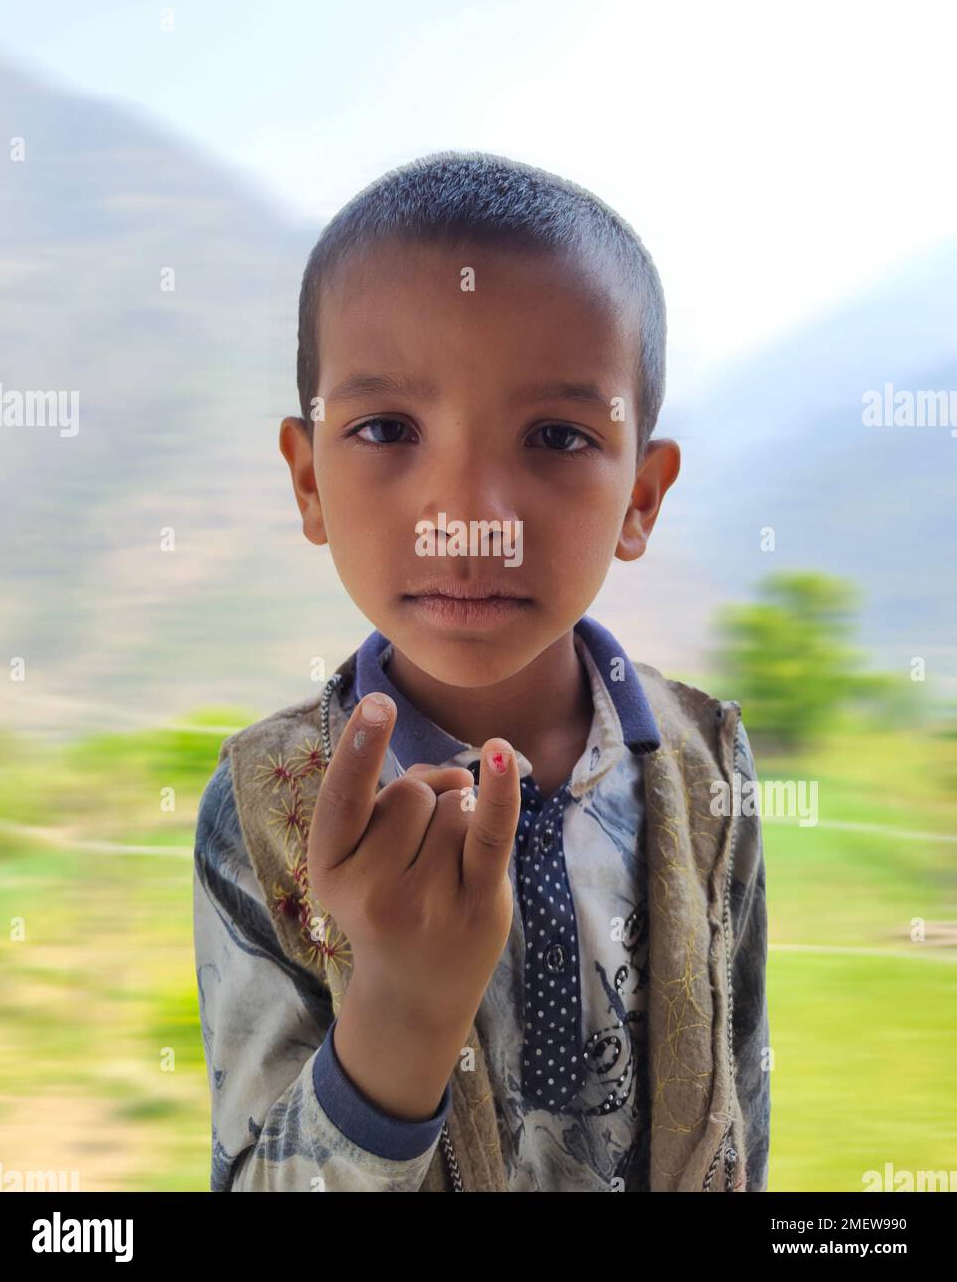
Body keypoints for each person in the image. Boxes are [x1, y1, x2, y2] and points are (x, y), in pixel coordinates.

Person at [192, 150, 770, 1192]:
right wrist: (398, 1021)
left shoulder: (707, 762)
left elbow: (741, 1102)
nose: (470, 515)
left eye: (556, 435)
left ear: (641, 495)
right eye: (386, 429)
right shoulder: (263, 808)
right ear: (309, 477)